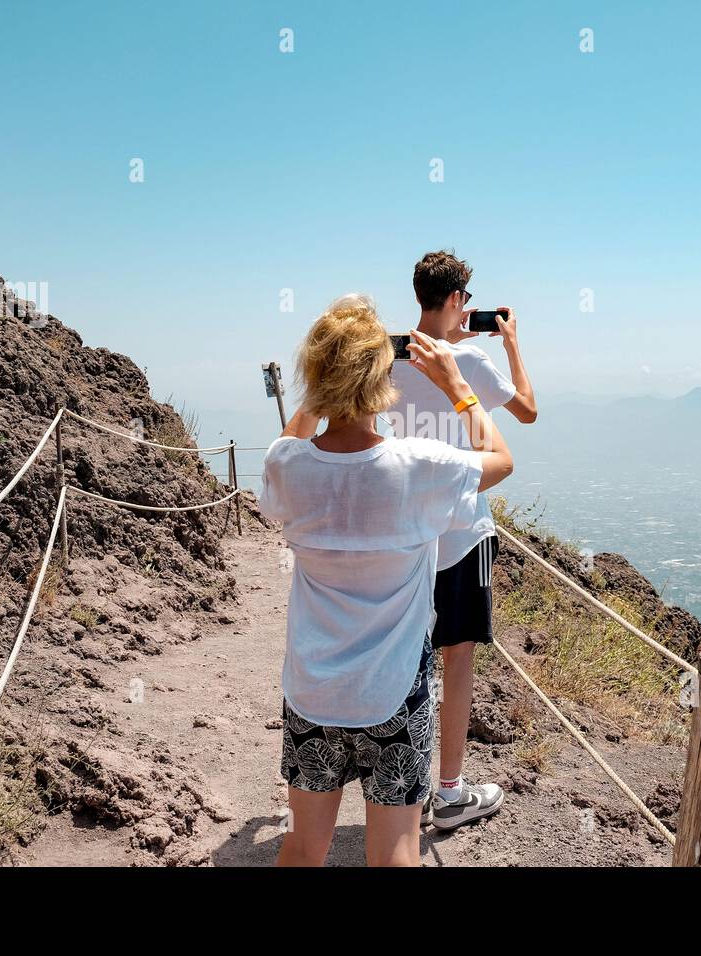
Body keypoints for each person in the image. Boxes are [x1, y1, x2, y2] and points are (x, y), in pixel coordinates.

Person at [259, 293, 514, 866]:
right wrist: (457, 386)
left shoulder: (288, 468)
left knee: (302, 846)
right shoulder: (419, 466)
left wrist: (320, 386)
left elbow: (288, 441)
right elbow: (500, 458)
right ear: (384, 376)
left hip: (313, 693)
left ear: (317, 377)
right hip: (395, 693)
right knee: (396, 851)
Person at [386, 250, 538, 831]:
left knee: (406, 656)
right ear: (454, 301)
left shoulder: (390, 356)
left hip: (405, 530)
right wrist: (513, 346)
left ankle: (397, 780)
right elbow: (526, 412)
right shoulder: (470, 361)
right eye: (465, 301)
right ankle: (449, 791)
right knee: (457, 661)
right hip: (463, 534)